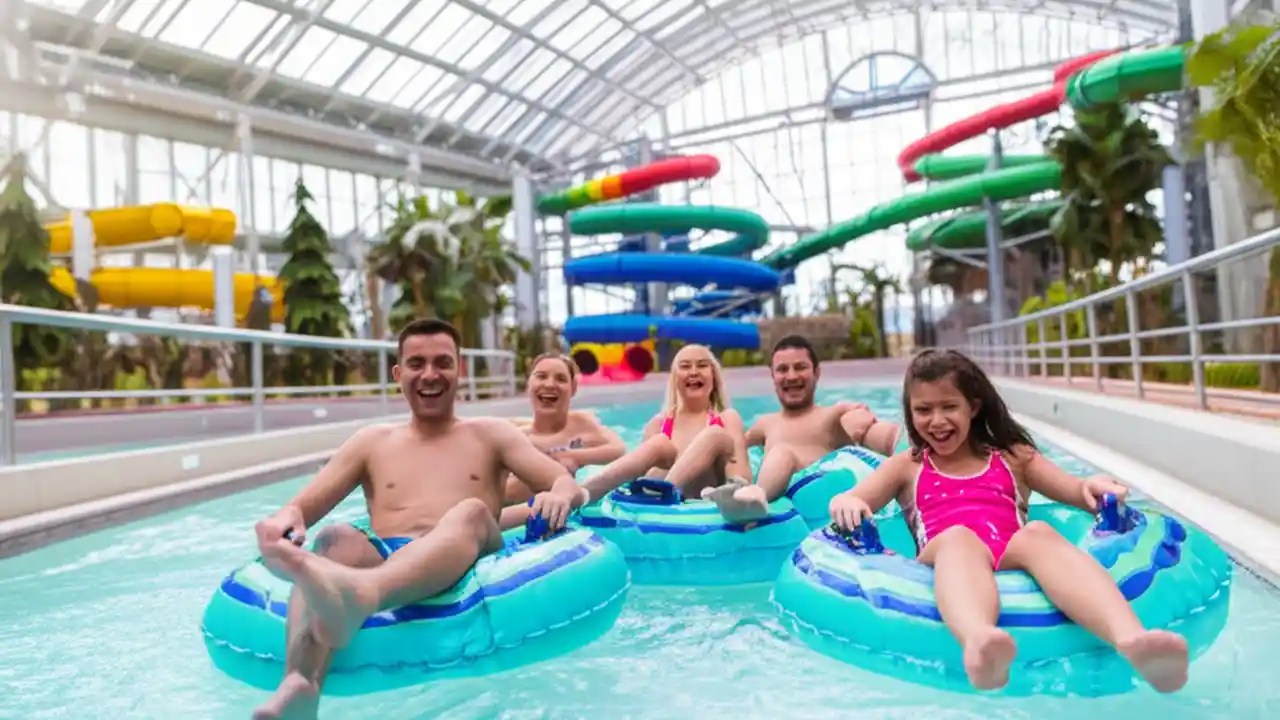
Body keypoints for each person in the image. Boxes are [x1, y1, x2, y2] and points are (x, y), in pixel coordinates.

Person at [250, 319, 585, 720]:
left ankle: (362, 596)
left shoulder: (492, 434)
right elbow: (302, 508)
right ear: (398, 373)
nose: (430, 374)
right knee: (335, 538)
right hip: (390, 558)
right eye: (417, 363)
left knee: (471, 510)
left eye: (443, 363)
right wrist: (286, 520)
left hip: (467, 558)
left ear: (460, 369)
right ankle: (300, 684)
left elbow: (561, 480)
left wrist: (557, 495)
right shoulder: (372, 441)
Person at [828, 348, 1189, 693]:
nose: (936, 421)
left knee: (1038, 532)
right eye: (923, 410)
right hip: (948, 551)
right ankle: (979, 641)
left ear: (973, 406)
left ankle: (1132, 641)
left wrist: (1090, 487)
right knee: (959, 537)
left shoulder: (1014, 457)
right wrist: (846, 501)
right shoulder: (908, 465)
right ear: (909, 411)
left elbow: (1075, 489)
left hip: (1009, 553)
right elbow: (858, 498)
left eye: (948, 407)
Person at [706, 335, 904, 521]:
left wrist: (892, 438)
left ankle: (756, 496)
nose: (791, 376)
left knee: (782, 452)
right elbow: (735, 451)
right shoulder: (764, 423)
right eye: (783, 369)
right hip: (778, 499)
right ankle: (742, 495)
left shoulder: (833, 415)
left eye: (800, 367)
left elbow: (879, 433)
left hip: (816, 500)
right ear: (773, 376)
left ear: (816, 372)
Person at [578, 344, 751, 510]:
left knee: (714, 435)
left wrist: (740, 492)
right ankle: (581, 495)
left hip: (704, 495)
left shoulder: (727, 418)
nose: (693, 372)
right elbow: (641, 472)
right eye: (685, 366)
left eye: (702, 365)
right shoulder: (659, 425)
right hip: (657, 498)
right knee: (659, 444)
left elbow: (741, 474)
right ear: (675, 378)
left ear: (714, 375)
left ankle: (666, 494)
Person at [500, 353, 627, 528]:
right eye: (541, 376)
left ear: (573, 388)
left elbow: (618, 448)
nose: (550, 384)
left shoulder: (581, 423)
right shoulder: (519, 438)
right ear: (528, 384)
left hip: (578, 496)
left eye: (560, 379)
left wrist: (571, 456)